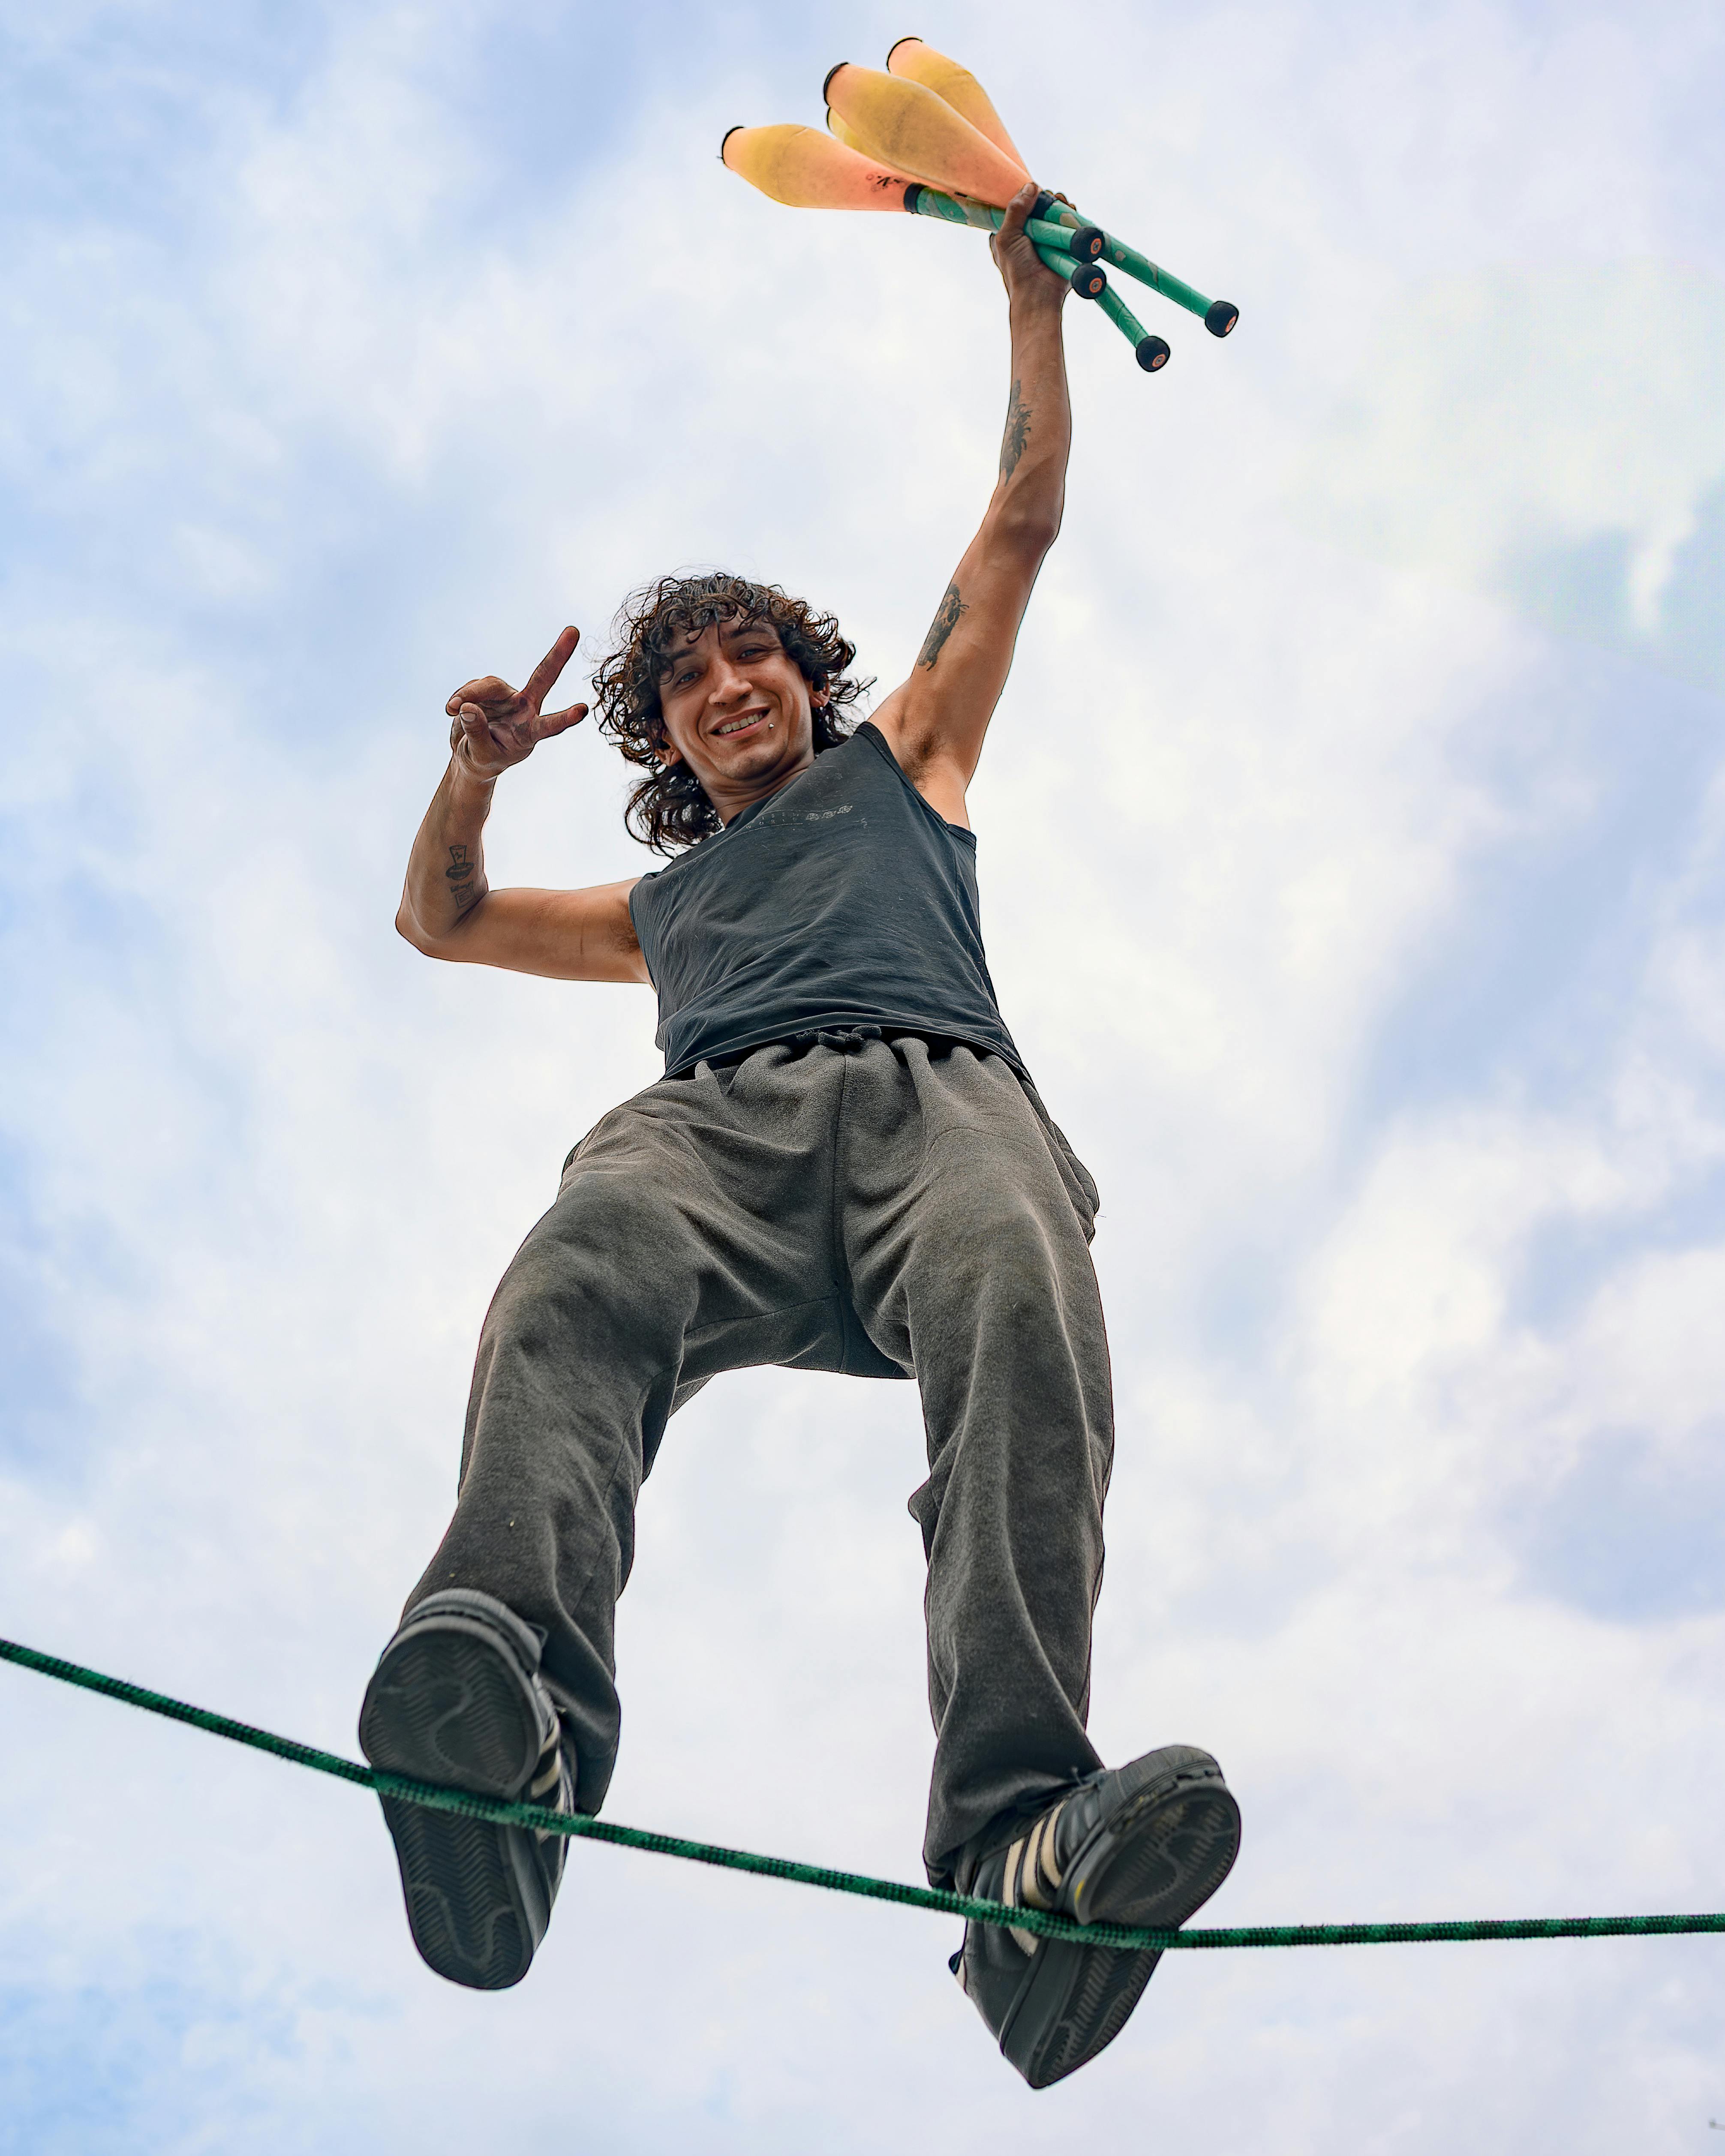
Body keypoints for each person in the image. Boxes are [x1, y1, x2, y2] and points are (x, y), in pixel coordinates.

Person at [359, 181, 1240, 2089]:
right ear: (666, 741)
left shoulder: (911, 756)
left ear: (807, 672)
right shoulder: (658, 913)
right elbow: (440, 921)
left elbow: (1015, 522)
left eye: (750, 653)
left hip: (940, 1104)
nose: (723, 685)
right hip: (721, 1140)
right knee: (578, 1263)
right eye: (684, 682)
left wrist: (1027, 303)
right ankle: (504, 1727)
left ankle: (1019, 1851)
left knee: (1023, 1288)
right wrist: (472, 772)